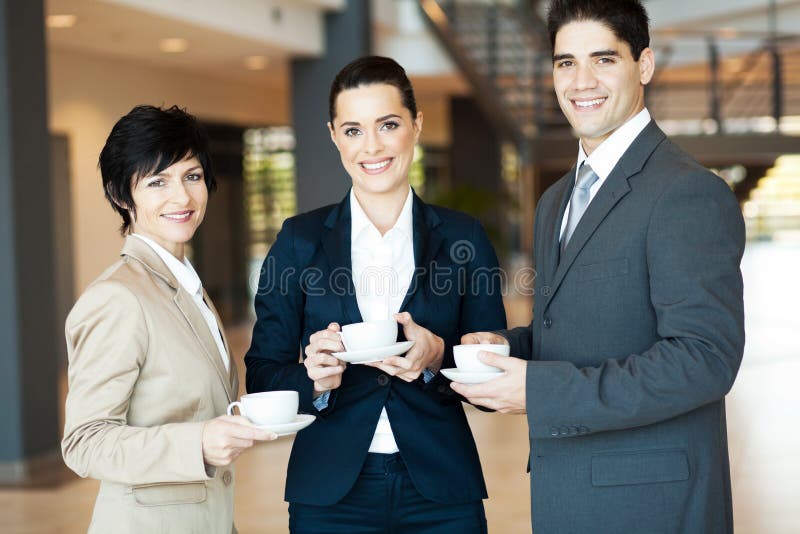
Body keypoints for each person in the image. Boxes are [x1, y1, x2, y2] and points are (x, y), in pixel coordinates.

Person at [451, 1, 746, 533]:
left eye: (603, 59)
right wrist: (503, 351)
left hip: (649, 504)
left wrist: (537, 392)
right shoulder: (555, 200)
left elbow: (705, 359)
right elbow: (577, 330)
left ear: (645, 65)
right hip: (565, 491)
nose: (581, 81)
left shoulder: (687, 192)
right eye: (566, 62)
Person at [245, 56, 506, 533]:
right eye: (352, 130)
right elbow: (261, 374)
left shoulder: (464, 237)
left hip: (442, 492)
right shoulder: (298, 241)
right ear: (332, 135)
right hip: (329, 494)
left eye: (388, 124)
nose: (372, 147)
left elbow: (493, 385)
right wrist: (312, 379)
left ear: (416, 124)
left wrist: (436, 357)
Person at [61, 105, 276, 534]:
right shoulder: (118, 297)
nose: (182, 197)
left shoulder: (186, 286)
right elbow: (84, 442)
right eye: (157, 181)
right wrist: (196, 442)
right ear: (122, 196)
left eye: (192, 176)